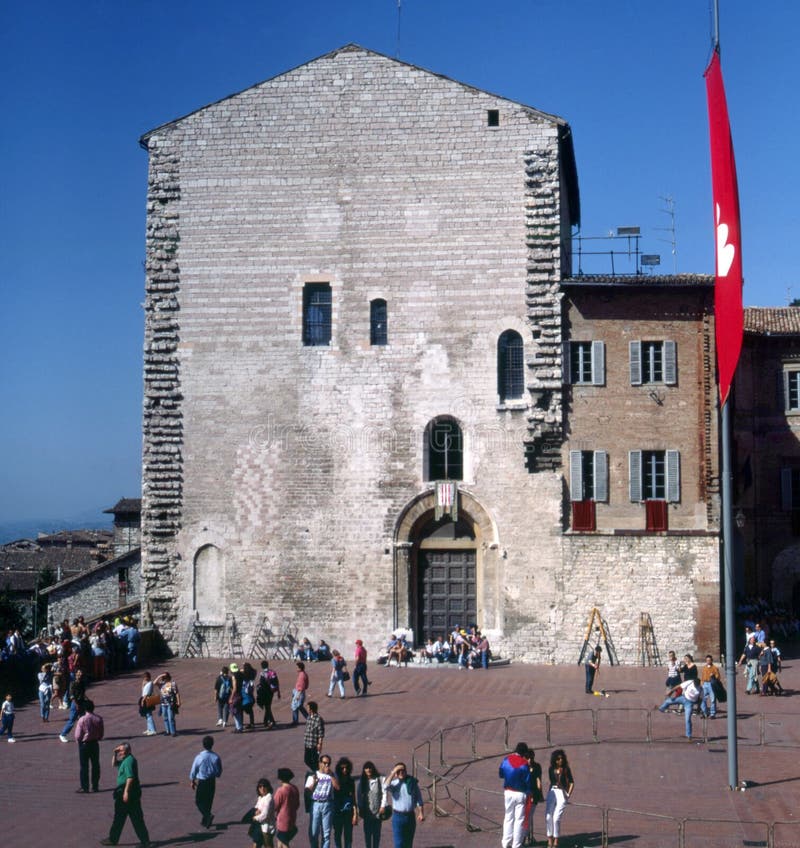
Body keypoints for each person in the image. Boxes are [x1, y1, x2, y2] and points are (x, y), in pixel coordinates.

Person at [100, 742, 151, 848]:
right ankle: (113, 838)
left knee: (135, 818)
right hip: (125, 792)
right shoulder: (125, 759)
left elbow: (130, 778)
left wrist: (126, 792)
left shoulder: (128, 761)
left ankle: (145, 842)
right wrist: (114, 753)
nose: (120, 753)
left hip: (129, 793)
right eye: (119, 751)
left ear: (128, 751)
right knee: (120, 817)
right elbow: (114, 764)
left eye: (122, 751)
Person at [498, 742, 532, 848]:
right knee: (519, 820)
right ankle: (516, 845)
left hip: (508, 792)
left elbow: (501, 774)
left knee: (508, 817)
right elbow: (528, 781)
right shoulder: (524, 764)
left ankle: (505, 842)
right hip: (520, 793)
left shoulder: (506, 760)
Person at [383, 762, 424, 848]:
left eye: (403, 770)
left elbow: (419, 798)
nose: (401, 772)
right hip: (398, 817)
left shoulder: (412, 783)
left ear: (406, 771)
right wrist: (393, 772)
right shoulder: (394, 783)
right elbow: (385, 786)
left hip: (410, 816)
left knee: (408, 843)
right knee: (399, 843)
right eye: (399, 771)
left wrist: (421, 812)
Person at [306, 753, 340, 848]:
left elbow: (337, 787)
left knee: (326, 833)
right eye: (324, 763)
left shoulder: (332, 775)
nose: (326, 765)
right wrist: (314, 783)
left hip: (328, 804)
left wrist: (331, 775)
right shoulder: (313, 775)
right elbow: (308, 792)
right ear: (320, 763)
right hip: (316, 804)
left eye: (328, 763)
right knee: (314, 832)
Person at [190, 734, 223, 829]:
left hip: (202, 781)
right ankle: (206, 821)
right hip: (212, 781)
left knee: (199, 801)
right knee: (209, 801)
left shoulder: (199, 757)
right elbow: (219, 770)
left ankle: (207, 816)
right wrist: (217, 774)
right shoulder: (216, 757)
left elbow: (194, 769)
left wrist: (192, 780)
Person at [545, 750, 574, 848]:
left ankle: (556, 839)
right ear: (554, 760)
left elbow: (571, 782)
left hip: (562, 792)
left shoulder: (566, 769)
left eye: (561, 758)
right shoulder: (551, 769)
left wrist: (568, 794)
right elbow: (551, 781)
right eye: (558, 759)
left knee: (556, 818)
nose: (560, 760)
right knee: (548, 816)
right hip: (553, 791)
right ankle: (550, 838)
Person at [74, 698, 104, 793]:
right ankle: (95, 786)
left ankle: (85, 787)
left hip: (84, 744)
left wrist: (79, 740)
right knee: (95, 765)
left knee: (84, 766)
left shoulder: (82, 720)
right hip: (94, 743)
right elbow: (101, 733)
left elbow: (78, 735)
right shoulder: (99, 718)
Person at [357, 761, 388, 848]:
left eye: (370, 767)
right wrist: (360, 807)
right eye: (366, 768)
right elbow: (359, 795)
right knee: (367, 835)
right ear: (364, 770)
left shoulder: (379, 779)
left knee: (376, 835)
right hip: (367, 812)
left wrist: (383, 806)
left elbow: (384, 793)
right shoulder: (362, 781)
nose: (368, 770)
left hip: (378, 812)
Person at [332, 756, 358, 848]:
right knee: (337, 835)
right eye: (342, 768)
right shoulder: (335, 780)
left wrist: (355, 814)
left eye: (346, 767)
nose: (344, 770)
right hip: (337, 812)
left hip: (348, 812)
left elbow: (353, 798)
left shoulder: (351, 781)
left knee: (348, 836)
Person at [273, 767, 300, 847]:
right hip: (292, 817)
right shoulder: (294, 788)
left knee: (284, 842)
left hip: (282, 820)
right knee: (280, 841)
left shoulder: (281, 790)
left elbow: (275, 806)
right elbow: (297, 804)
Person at [523, 748, 544, 848]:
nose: (529, 760)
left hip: (533, 795)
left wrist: (540, 795)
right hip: (524, 795)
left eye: (531, 758)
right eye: (527, 758)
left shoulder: (537, 767)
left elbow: (539, 781)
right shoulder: (523, 767)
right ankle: (525, 837)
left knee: (528, 817)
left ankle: (525, 837)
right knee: (523, 817)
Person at [154, 671, 181, 735]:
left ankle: (173, 732)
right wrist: (159, 676)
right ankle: (167, 731)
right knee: (165, 718)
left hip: (170, 703)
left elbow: (176, 693)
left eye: (165, 677)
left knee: (171, 717)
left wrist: (178, 701)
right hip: (163, 703)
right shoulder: (161, 684)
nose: (164, 678)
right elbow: (154, 683)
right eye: (163, 677)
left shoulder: (173, 684)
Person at [252, 777, 276, 848]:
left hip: (267, 828)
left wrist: (255, 818)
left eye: (264, 786)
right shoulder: (261, 797)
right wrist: (256, 812)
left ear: (268, 787)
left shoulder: (268, 798)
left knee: (268, 846)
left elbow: (265, 814)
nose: (262, 788)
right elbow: (256, 809)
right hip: (259, 827)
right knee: (256, 845)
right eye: (260, 786)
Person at [257, 660, 281, 727]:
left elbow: (261, 683)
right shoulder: (273, 672)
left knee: (267, 707)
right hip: (271, 691)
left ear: (262, 666)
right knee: (268, 706)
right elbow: (277, 682)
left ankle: (267, 721)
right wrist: (278, 692)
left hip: (265, 692)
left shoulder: (262, 673)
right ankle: (270, 721)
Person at [304, 701, 325, 771]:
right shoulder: (308, 717)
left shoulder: (318, 719)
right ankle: (317, 771)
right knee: (306, 760)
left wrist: (319, 744)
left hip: (314, 744)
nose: (307, 709)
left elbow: (321, 733)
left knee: (314, 761)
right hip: (307, 743)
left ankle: (318, 772)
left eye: (308, 708)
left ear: (311, 709)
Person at [291, 661, 309, 725]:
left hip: (299, 692)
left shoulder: (302, 675)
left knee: (295, 706)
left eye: (297, 667)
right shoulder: (303, 674)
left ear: (300, 668)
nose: (296, 669)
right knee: (299, 707)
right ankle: (308, 718)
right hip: (300, 692)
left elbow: (301, 686)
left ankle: (295, 721)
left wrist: (298, 695)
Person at [140, 671, 157, 736]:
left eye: (144, 677)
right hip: (144, 698)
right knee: (147, 715)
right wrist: (143, 685)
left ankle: (153, 730)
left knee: (149, 715)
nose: (144, 679)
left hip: (147, 699)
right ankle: (149, 729)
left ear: (147, 677)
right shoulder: (146, 683)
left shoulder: (150, 683)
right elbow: (143, 691)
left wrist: (142, 700)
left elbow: (146, 694)